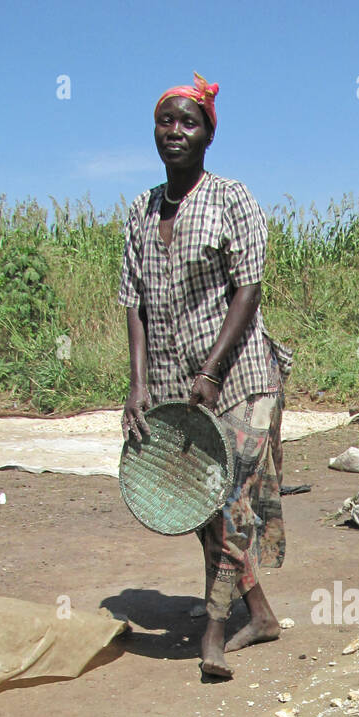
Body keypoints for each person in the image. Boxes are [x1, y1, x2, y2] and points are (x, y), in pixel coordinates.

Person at [118, 72, 292, 680]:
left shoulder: (231, 199)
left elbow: (248, 290)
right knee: (202, 509)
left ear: (208, 134)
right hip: (173, 386)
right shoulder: (141, 211)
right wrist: (138, 387)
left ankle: (212, 634)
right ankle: (262, 616)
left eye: (187, 122)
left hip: (240, 376)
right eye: (166, 120)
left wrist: (214, 370)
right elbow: (134, 305)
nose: (174, 131)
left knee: (235, 506)